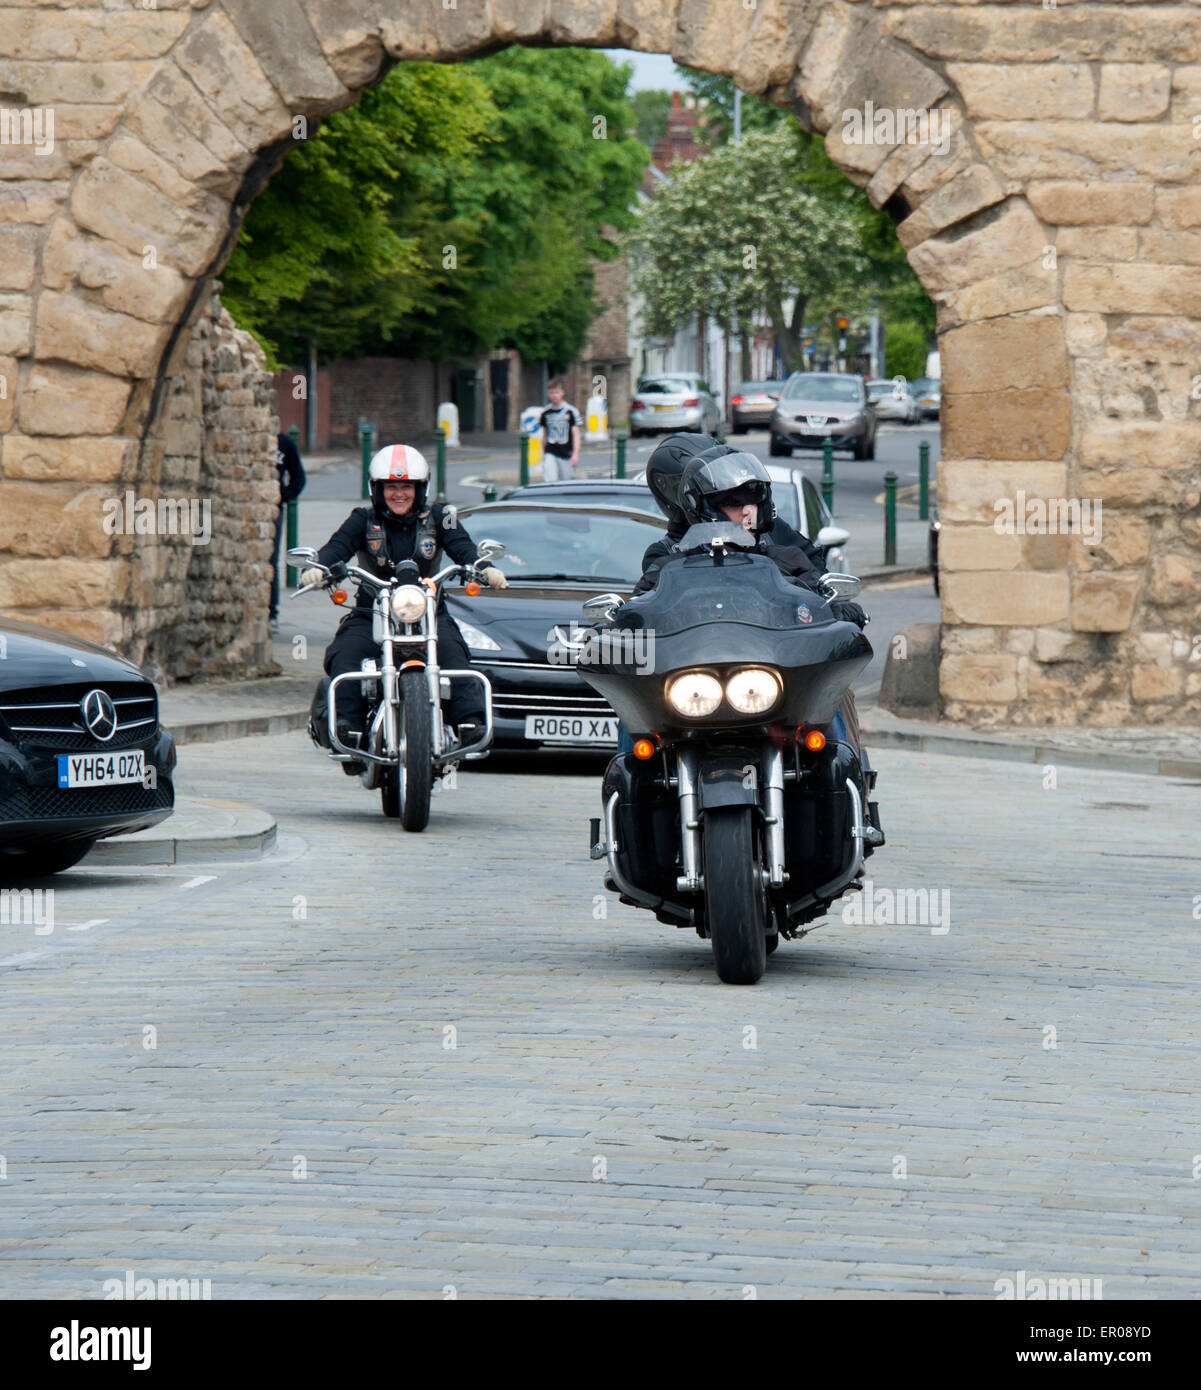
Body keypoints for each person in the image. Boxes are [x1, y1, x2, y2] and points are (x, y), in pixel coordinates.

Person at [633, 450, 867, 751]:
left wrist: (837, 608)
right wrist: (616, 622)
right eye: (732, 502)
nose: (747, 510)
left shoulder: (787, 558)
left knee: (829, 697)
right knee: (640, 717)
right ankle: (628, 792)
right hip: (691, 675)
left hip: (772, 673)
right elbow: (638, 606)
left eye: (752, 500)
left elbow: (817, 592)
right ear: (703, 508)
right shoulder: (669, 566)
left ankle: (848, 781)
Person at [299, 444, 507, 762]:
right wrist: (318, 568)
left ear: (419, 489)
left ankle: (469, 722)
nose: (399, 494)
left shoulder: (441, 517)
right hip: (372, 610)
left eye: (406, 486)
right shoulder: (362, 519)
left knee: (455, 655)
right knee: (346, 655)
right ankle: (347, 728)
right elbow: (337, 546)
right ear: (377, 490)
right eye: (391, 487)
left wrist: (483, 567)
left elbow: (462, 546)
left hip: (427, 613)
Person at [642, 432, 826, 576]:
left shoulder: (761, 529)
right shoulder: (666, 555)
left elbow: (815, 574)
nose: (746, 510)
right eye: (730, 501)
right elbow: (649, 606)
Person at [269, 430, 306, 634]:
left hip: (274, 510)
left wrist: (283, 496)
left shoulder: (284, 442)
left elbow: (298, 477)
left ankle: (271, 613)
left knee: (270, 560)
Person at [538, 376, 582, 483]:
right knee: (550, 480)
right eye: (551, 393)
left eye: (557, 392)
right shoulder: (545, 412)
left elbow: (576, 434)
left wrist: (575, 454)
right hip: (550, 451)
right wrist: (543, 453)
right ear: (548, 394)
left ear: (562, 393)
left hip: (566, 453)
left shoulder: (571, 411)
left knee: (566, 482)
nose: (554, 396)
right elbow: (545, 434)